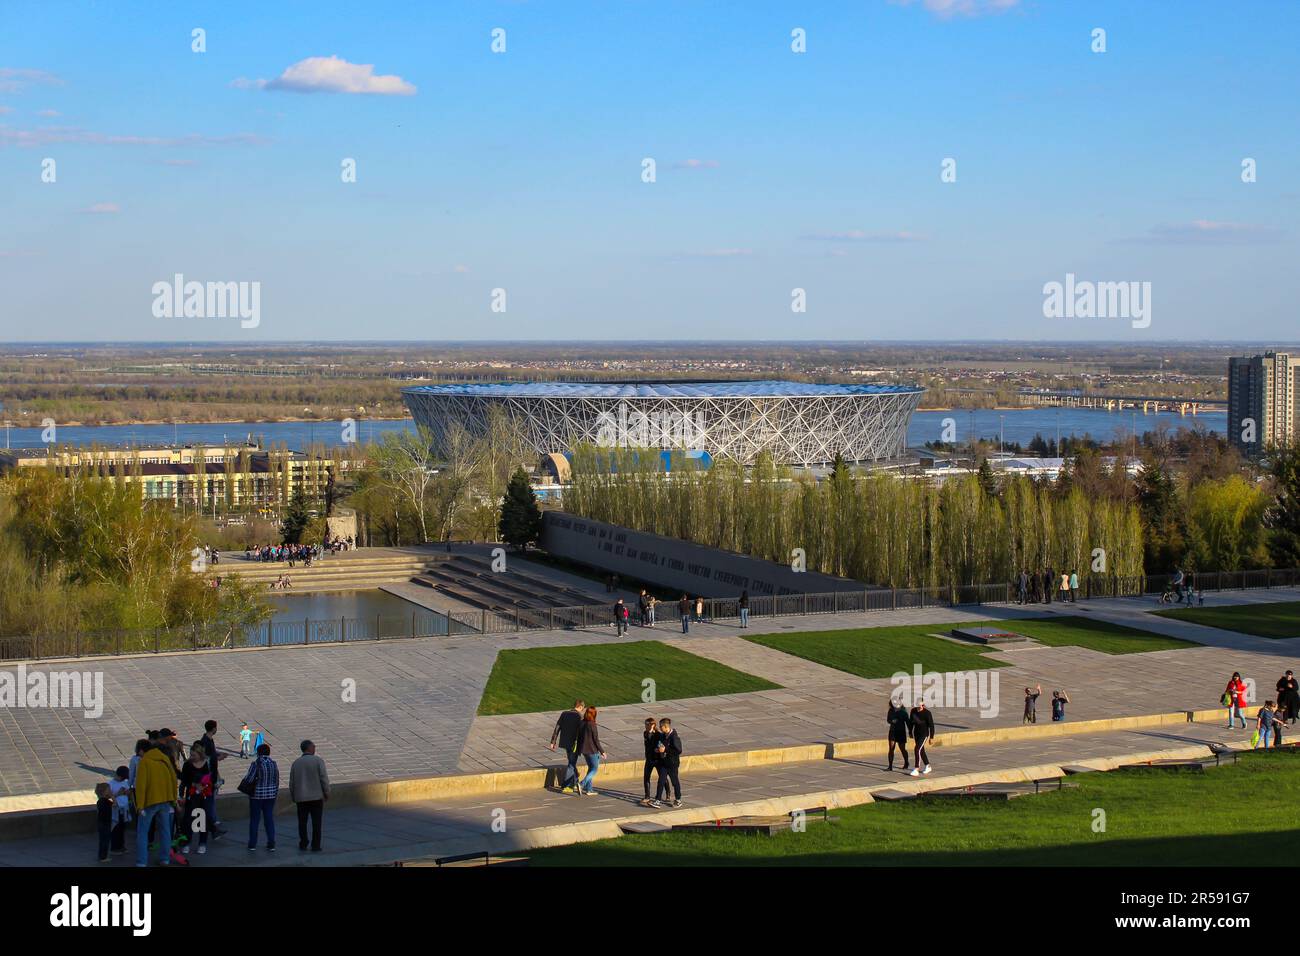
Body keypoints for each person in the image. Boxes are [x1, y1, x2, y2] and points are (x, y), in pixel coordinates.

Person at [133, 740, 178, 867]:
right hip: (165, 800)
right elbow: (174, 779)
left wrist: (140, 805)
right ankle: (165, 859)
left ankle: (141, 861)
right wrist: (173, 799)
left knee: (142, 832)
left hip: (149, 802)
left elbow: (140, 785)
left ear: (142, 750)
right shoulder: (164, 759)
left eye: (138, 753)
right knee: (165, 831)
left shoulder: (145, 762)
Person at [289, 740, 330, 852]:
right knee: (317, 822)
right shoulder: (318, 761)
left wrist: (293, 796)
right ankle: (316, 845)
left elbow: (292, 783)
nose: (315, 748)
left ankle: (303, 843)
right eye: (313, 746)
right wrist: (327, 793)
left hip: (301, 798)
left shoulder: (296, 763)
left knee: (302, 822)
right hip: (316, 797)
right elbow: (324, 779)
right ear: (309, 748)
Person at [243, 743, 279, 851]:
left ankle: (252, 844)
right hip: (271, 795)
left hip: (257, 795)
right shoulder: (274, 764)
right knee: (269, 819)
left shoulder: (256, 764)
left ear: (258, 753)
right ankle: (271, 843)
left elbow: (249, 779)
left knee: (255, 819)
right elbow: (276, 779)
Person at [179, 740, 213, 856]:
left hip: (203, 794)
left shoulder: (206, 763)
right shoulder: (187, 765)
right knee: (188, 819)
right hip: (191, 794)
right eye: (191, 754)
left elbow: (209, 778)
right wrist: (184, 793)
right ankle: (186, 843)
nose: (192, 757)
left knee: (203, 818)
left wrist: (203, 785)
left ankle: (202, 843)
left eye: (194, 755)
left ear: (200, 754)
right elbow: (184, 781)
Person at [549, 699, 586, 793]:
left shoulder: (564, 714)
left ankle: (575, 780)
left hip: (565, 743)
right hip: (575, 744)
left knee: (571, 761)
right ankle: (567, 785)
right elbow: (582, 732)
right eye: (583, 708)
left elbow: (557, 727)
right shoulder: (580, 717)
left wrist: (553, 741)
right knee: (571, 764)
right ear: (581, 707)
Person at [198, 719, 226, 838]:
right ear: (213, 728)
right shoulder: (206, 742)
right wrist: (219, 757)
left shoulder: (207, 740)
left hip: (209, 778)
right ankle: (211, 829)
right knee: (208, 805)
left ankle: (212, 827)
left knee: (208, 804)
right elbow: (210, 761)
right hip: (208, 779)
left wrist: (218, 754)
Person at [575, 707, 606, 796]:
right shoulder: (592, 724)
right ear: (594, 714)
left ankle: (589, 789)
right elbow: (596, 740)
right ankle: (582, 784)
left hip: (584, 750)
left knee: (590, 768)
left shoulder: (582, 722)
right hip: (592, 750)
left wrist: (579, 750)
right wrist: (602, 751)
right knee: (594, 769)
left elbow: (579, 737)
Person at [655, 718, 683, 807]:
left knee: (674, 782)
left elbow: (678, 750)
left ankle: (678, 799)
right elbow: (661, 744)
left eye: (661, 726)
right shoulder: (663, 735)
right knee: (661, 781)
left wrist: (665, 749)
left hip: (672, 764)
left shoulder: (674, 737)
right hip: (664, 763)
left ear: (665, 726)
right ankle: (657, 800)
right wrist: (658, 750)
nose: (659, 728)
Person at [108, 766, 131, 854]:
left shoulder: (125, 782)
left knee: (122, 828)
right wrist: (118, 794)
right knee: (116, 829)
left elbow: (128, 794)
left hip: (124, 809)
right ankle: (115, 847)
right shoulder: (111, 784)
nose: (122, 779)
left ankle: (121, 845)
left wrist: (127, 792)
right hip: (116, 810)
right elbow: (109, 797)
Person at [639, 718, 662, 808]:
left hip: (657, 759)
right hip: (649, 759)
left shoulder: (658, 734)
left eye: (647, 724)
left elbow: (661, 744)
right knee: (646, 777)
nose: (645, 726)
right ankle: (647, 796)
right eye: (645, 724)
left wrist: (658, 750)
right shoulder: (645, 733)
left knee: (662, 778)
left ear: (652, 725)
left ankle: (668, 793)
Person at [908, 701, 934, 776]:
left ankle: (916, 768)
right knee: (921, 750)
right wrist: (910, 732)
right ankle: (928, 766)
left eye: (922, 705)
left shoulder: (927, 713)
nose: (921, 707)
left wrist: (931, 737)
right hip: (917, 733)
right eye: (919, 706)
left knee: (917, 749)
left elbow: (931, 726)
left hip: (924, 734)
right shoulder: (913, 711)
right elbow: (911, 723)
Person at [886, 697, 912, 772]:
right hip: (892, 731)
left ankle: (906, 762)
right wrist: (892, 721)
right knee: (891, 749)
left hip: (901, 732)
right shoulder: (891, 710)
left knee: (902, 749)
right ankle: (890, 766)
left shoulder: (903, 711)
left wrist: (910, 732)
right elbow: (888, 720)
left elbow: (907, 722)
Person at [95, 782, 114, 863]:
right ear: (104, 792)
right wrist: (112, 796)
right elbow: (115, 804)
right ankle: (103, 857)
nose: (110, 791)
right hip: (106, 823)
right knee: (105, 840)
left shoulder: (99, 801)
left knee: (102, 840)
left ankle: (101, 855)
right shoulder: (106, 802)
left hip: (101, 823)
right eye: (109, 790)